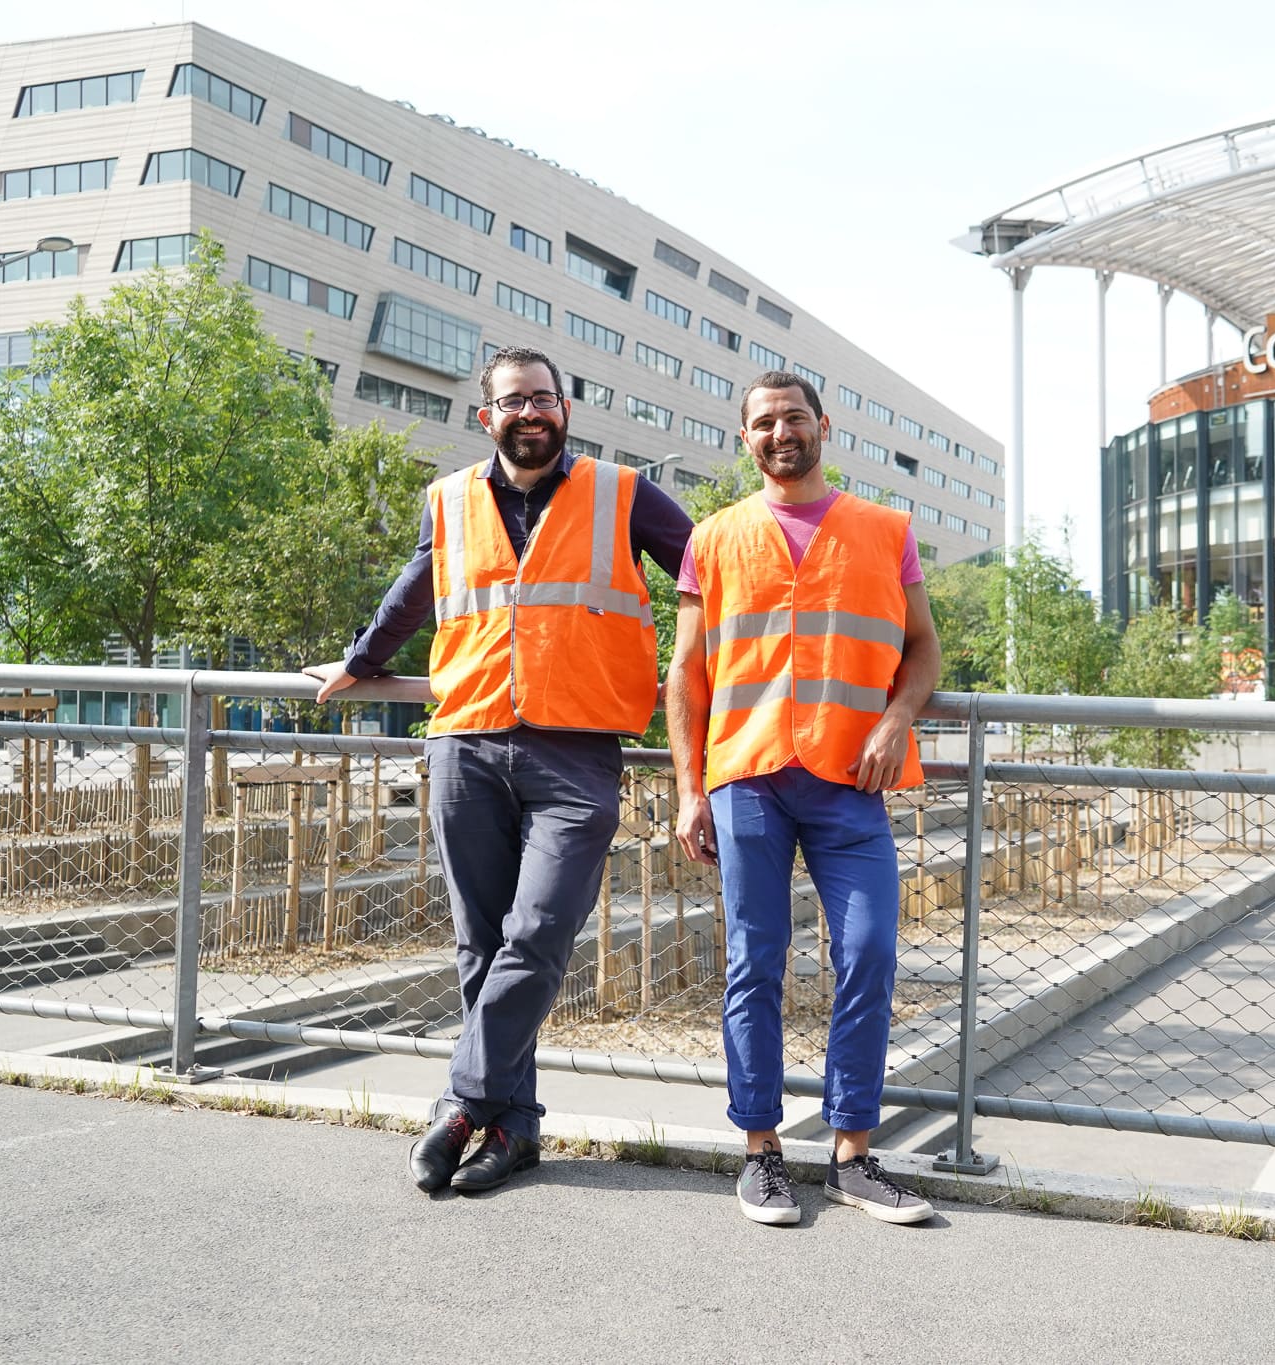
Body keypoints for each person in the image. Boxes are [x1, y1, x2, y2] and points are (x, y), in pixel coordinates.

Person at [306, 345, 692, 1195]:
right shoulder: (446, 499)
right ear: (487, 416)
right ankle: (513, 1130)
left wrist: (742, 659)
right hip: (466, 737)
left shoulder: (624, 494)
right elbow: (416, 587)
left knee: (538, 933)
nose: (531, 411)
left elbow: (708, 574)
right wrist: (363, 659)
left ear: (566, 409)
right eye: (513, 400)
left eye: (544, 398)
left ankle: (459, 1103)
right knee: (479, 943)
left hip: (578, 750)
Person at [667, 370, 942, 1227]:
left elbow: (925, 647)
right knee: (756, 961)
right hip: (746, 774)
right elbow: (686, 671)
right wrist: (687, 789)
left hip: (848, 778)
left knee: (869, 951)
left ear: (823, 425)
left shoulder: (884, 529)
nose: (779, 431)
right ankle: (761, 1152)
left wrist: (898, 716)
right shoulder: (711, 538)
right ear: (745, 440)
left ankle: (854, 1155)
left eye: (793, 417)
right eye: (762, 422)